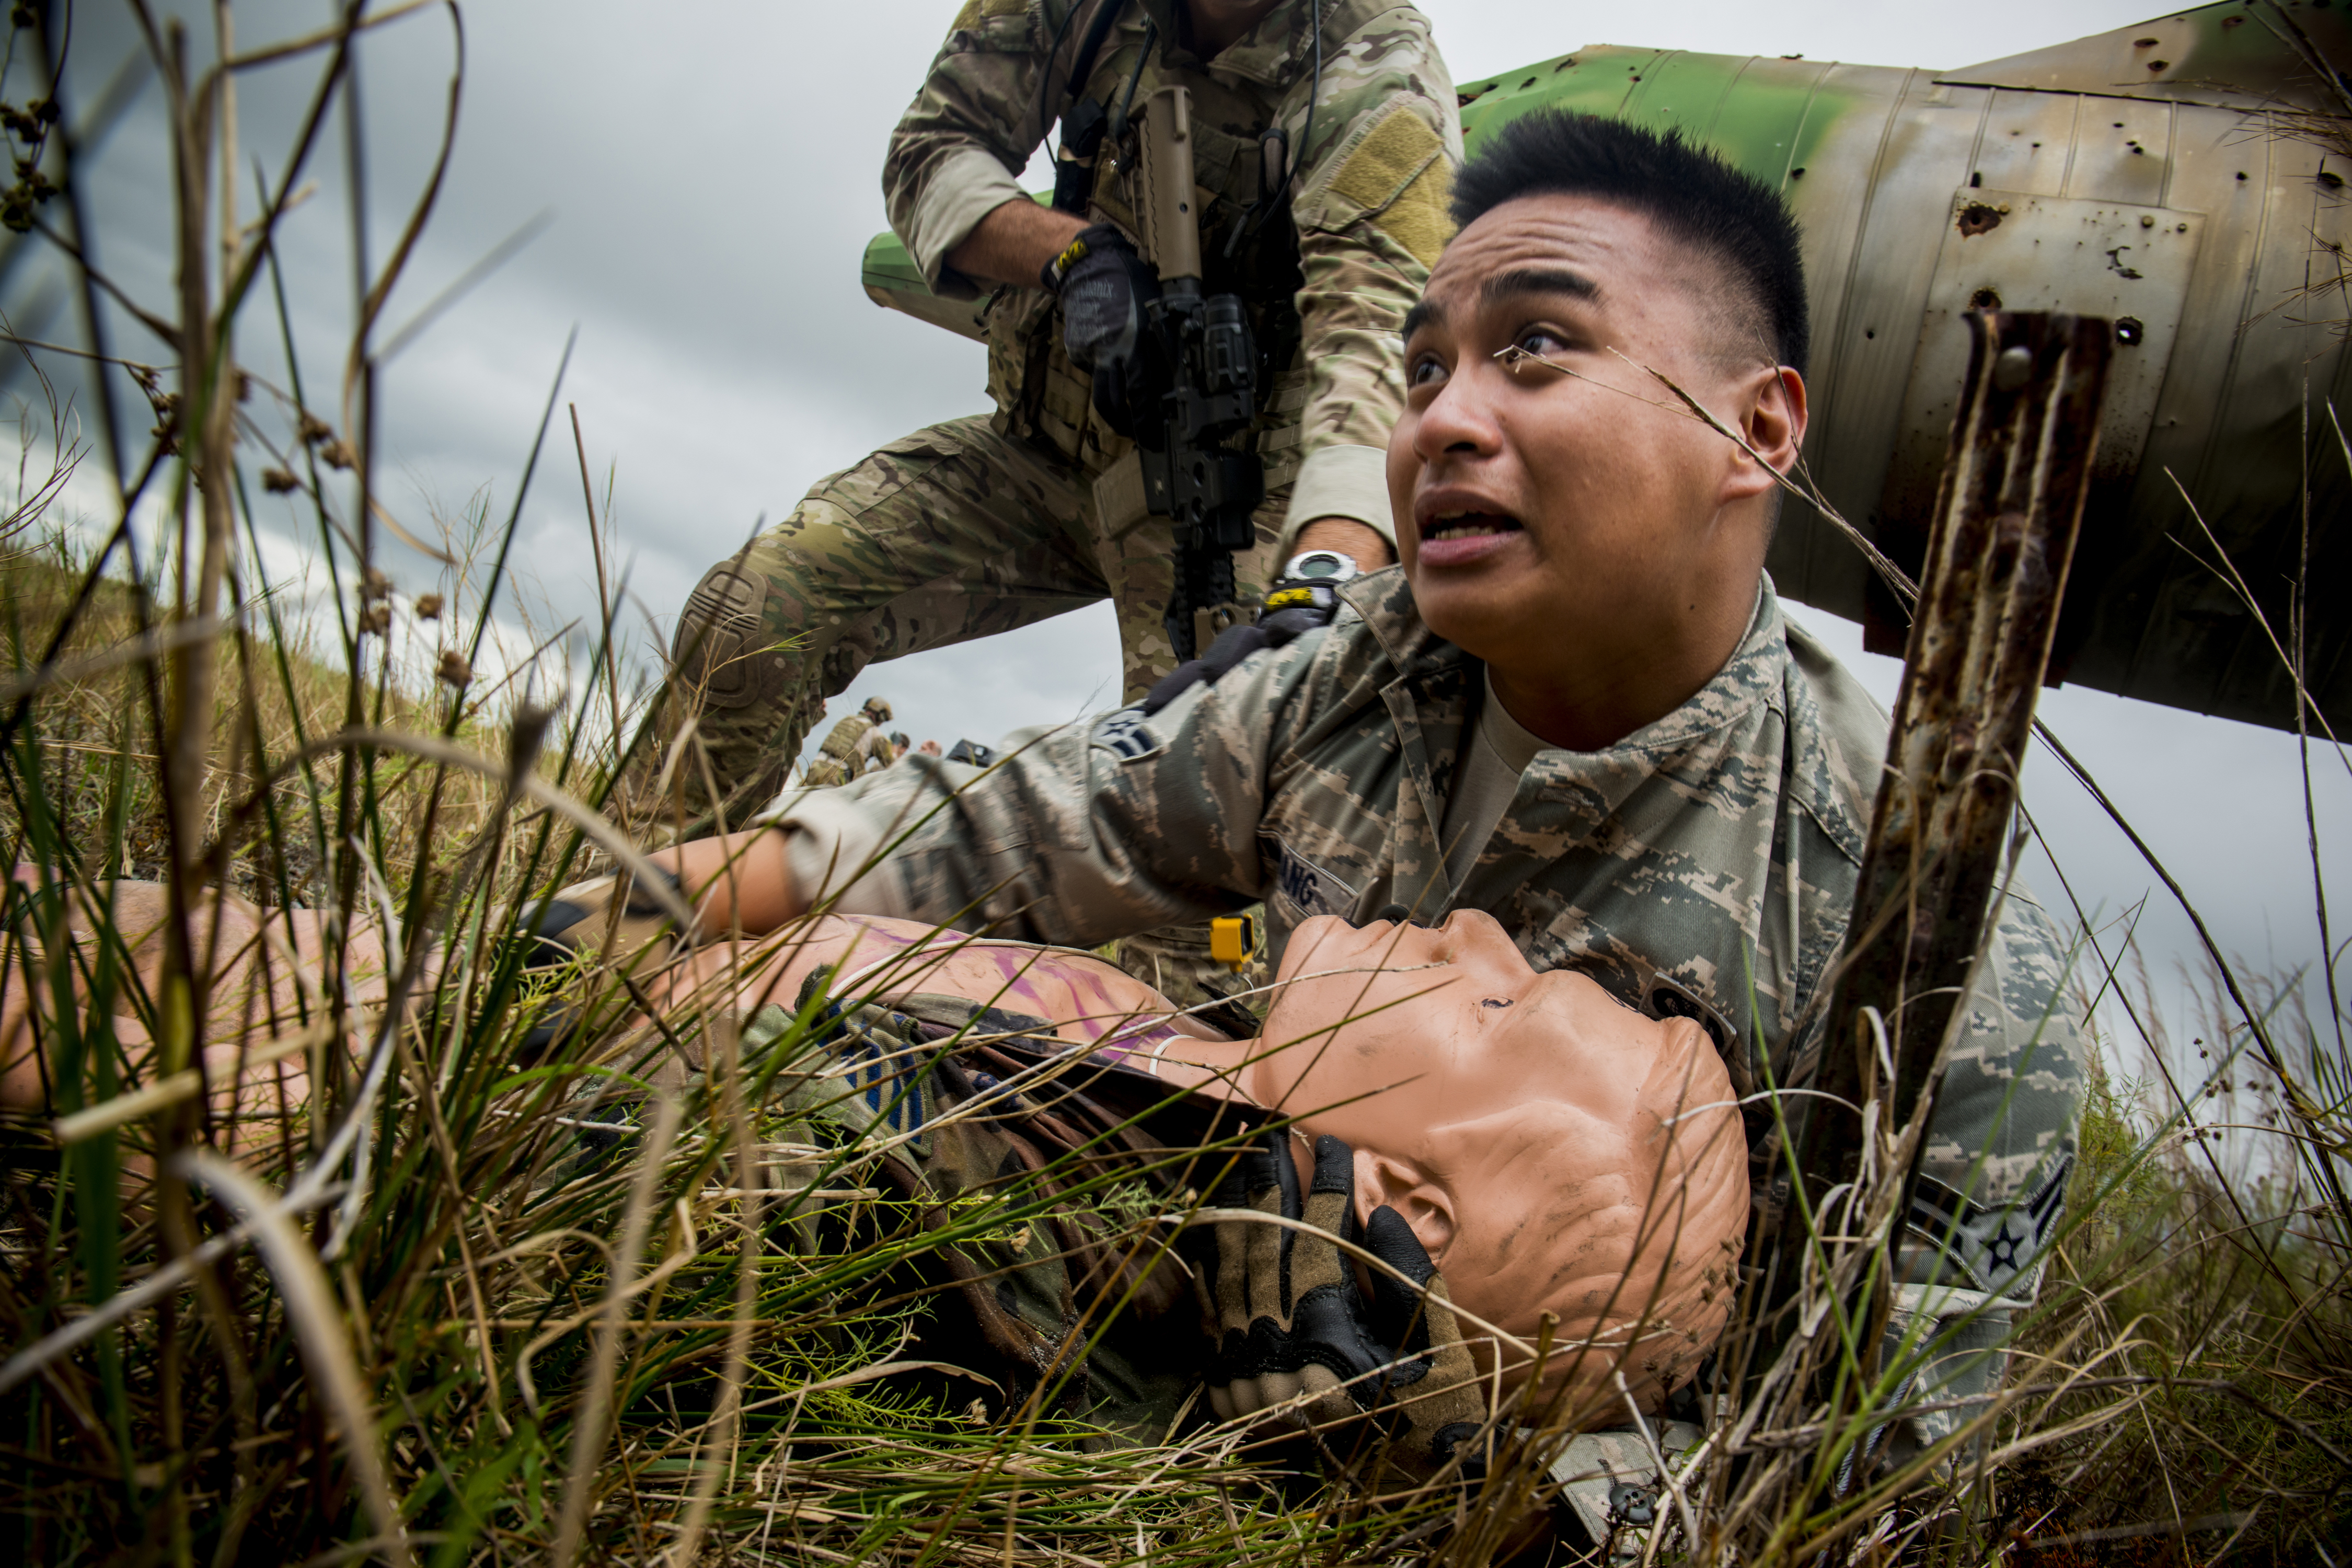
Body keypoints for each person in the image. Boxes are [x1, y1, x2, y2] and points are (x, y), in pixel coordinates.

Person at [631, 110, 2088, 1462]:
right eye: (1420, 370)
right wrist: (647, 897)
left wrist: (1449, 1438)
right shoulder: (1361, 668)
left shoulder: (1924, 930)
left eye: (1534, 349)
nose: (1442, 421)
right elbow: (1045, 822)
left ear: (1755, 432)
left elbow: (1887, 1454)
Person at [0, 873, 1746, 1472]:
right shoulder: (1158, 1081)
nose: (1476, 923)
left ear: (1407, 1217)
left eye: (1502, 1000)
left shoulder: (1053, 1202)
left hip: (291, 1039)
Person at [668, 0, 1461, 817]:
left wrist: (1321, 583)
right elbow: (929, 155)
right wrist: (1069, 254)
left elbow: (1380, 334)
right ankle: (633, 911)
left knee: (1198, 793)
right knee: (754, 610)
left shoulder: (1375, 63)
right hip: (1043, 455)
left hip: (1226, 497)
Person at [802, 696, 898, 787]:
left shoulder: (846, 719)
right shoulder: (875, 733)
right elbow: (891, 764)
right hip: (836, 775)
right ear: (881, 716)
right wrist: (895, 747)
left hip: (815, 767)